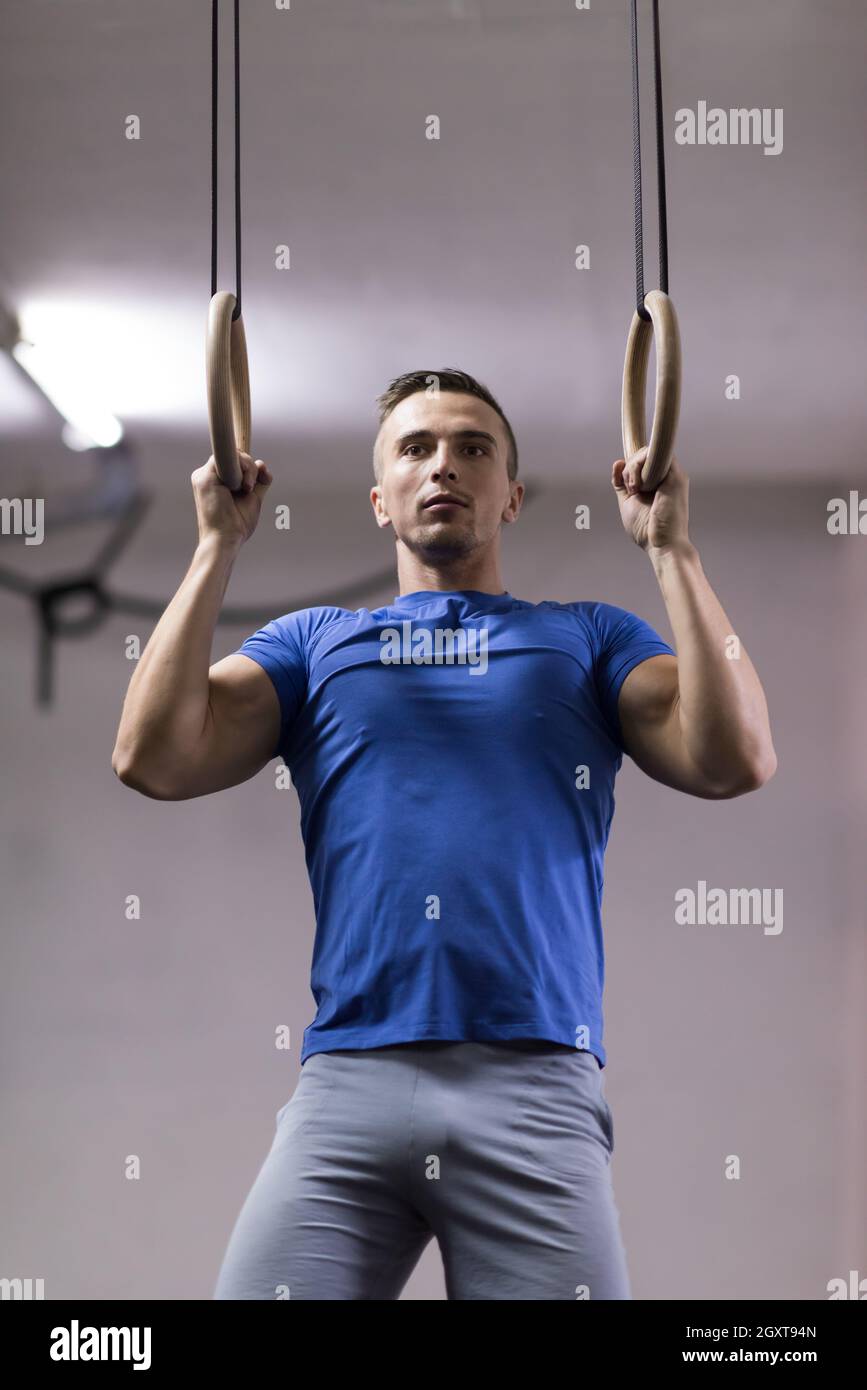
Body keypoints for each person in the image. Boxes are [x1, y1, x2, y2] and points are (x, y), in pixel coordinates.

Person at [111, 367, 776, 1300]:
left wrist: (672, 551)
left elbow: (735, 758)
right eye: (415, 449)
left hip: (535, 1087)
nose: (445, 466)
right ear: (380, 500)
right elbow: (152, 756)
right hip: (349, 1083)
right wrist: (216, 545)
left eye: (473, 448)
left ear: (510, 496)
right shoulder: (312, 645)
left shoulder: (587, 639)